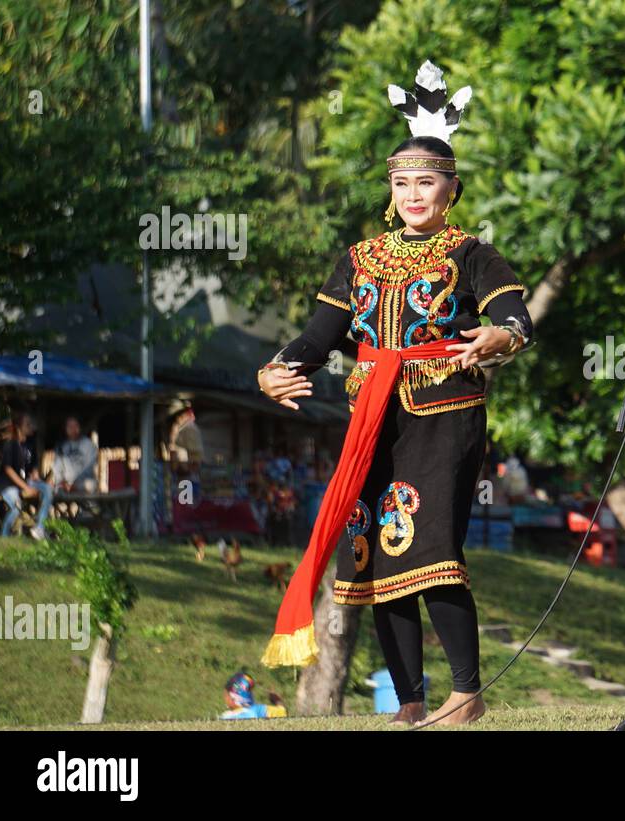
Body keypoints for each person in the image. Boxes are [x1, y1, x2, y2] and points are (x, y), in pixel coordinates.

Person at [257, 60, 532, 728]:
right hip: (370, 417)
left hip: (444, 415)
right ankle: (411, 702)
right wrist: (274, 367)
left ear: (452, 189)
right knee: (376, 559)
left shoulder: (471, 253)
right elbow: (319, 336)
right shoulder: (358, 258)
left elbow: (517, 316)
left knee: (431, 550)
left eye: (427, 181)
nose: (414, 193)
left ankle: (466, 694)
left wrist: (500, 337)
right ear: (391, 190)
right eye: (403, 182)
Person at [0, 411, 53, 540]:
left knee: (47, 488)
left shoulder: (30, 444)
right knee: (16, 508)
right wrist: (26, 488)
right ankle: (3, 537)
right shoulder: (10, 444)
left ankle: (39, 528)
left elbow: (32, 467)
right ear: (20, 426)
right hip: (8, 485)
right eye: (28, 424)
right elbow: (8, 470)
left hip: (25, 482)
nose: (31, 426)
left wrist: (35, 475)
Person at [54, 416, 98, 493]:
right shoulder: (60, 446)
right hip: (65, 484)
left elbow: (89, 468)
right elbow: (58, 468)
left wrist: (74, 484)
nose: (73, 429)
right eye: (70, 426)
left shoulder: (89, 445)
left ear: (79, 427)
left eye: (75, 426)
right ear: (65, 428)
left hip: (82, 482)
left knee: (90, 484)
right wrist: (64, 482)